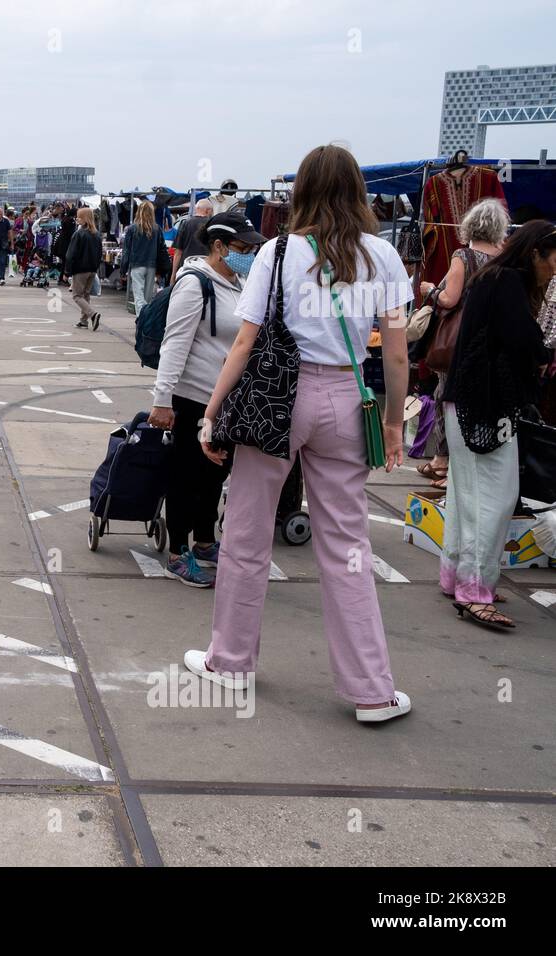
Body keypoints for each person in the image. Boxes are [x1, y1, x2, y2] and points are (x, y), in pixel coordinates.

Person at [189, 144, 414, 724]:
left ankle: (230, 662)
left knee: (245, 533)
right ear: (358, 192)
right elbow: (394, 352)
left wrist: (212, 413)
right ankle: (372, 691)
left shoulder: (277, 251)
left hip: (277, 402)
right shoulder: (383, 257)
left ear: (302, 193)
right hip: (346, 397)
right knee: (348, 548)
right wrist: (393, 423)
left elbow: (245, 341)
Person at [439, 219, 556, 630]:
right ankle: (475, 591)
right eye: (554, 259)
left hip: (465, 401)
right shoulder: (507, 281)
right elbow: (521, 338)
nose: (555, 269)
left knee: (465, 493)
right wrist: (543, 354)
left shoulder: (493, 277)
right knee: (493, 498)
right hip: (485, 405)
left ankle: (458, 577)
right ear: (535, 252)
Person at [148, 212, 265, 586]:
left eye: (251, 248)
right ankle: (178, 553)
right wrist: (162, 399)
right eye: (242, 248)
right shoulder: (195, 284)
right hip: (193, 397)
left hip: (227, 400)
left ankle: (204, 541)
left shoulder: (241, 282)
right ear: (218, 246)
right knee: (187, 475)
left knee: (215, 473)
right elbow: (175, 343)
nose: (248, 253)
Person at [416, 198, 509, 488]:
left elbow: (449, 299)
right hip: (492, 340)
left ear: (470, 225)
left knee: (448, 398)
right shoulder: (505, 259)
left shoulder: (463, 257)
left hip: (459, 341)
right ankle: (446, 463)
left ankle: (447, 465)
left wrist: (431, 291)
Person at [122, 200, 163, 313]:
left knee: (138, 296)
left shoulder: (132, 229)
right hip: (151, 266)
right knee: (148, 297)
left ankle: (141, 320)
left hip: (137, 265)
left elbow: (126, 251)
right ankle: (145, 321)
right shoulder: (157, 229)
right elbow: (161, 250)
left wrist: (123, 270)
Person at [65, 207, 103, 330]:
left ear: (84, 219)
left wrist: (67, 271)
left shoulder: (79, 234)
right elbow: (99, 253)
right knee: (85, 295)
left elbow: (71, 254)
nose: (77, 219)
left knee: (77, 296)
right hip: (92, 269)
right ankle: (83, 320)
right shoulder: (96, 234)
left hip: (80, 269)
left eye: (79, 217)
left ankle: (92, 314)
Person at [172, 198, 213, 273]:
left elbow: (178, 252)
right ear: (207, 210)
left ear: (197, 209)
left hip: (187, 268)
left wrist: (173, 274)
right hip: (206, 268)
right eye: (211, 210)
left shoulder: (185, 223)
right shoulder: (212, 225)